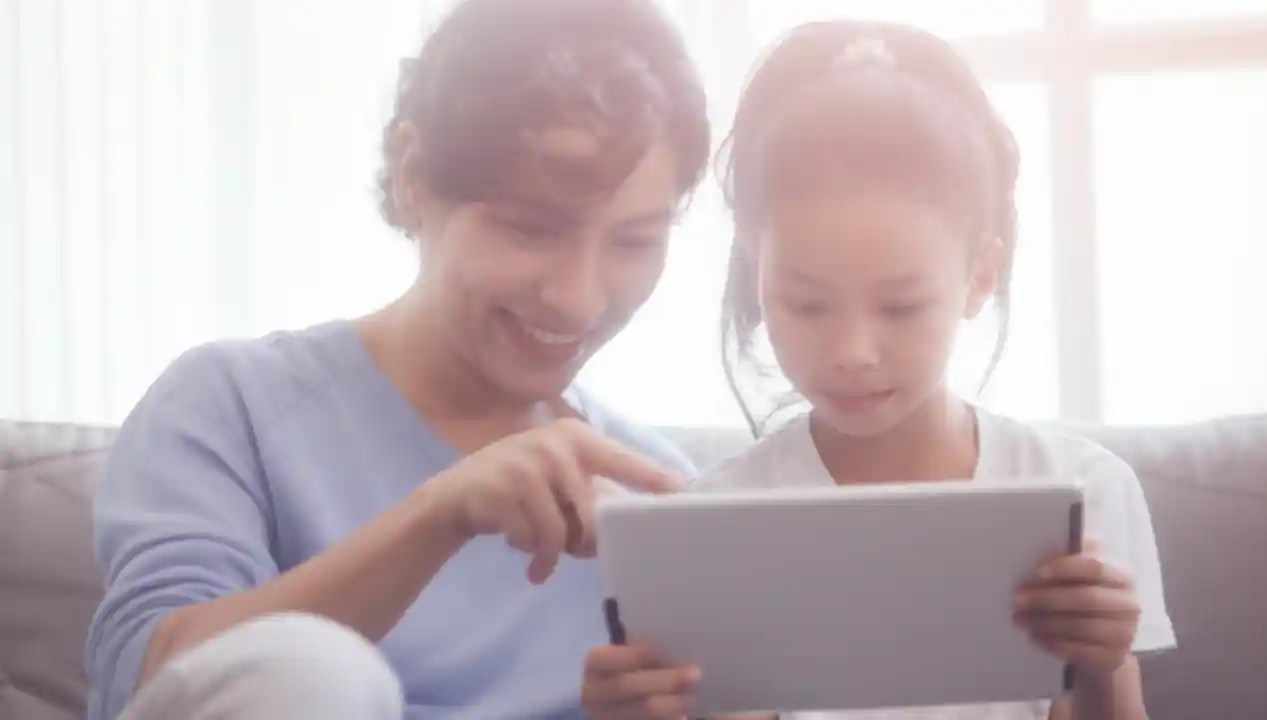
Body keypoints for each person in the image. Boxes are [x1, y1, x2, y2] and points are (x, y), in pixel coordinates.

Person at [85, 0, 711, 717]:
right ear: (414, 174)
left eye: (633, 242)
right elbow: (156, 687)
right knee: (311, 671)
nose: (577, 299)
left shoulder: (654, 501)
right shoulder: (233, 405)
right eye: (533, 229)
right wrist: (438, 516)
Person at [581, 21, 1175, 720]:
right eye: (805, 304)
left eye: (899, 306)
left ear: (980, 275)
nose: (851, 351)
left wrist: (1102, 661)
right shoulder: (710, 527)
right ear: (754, 266)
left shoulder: (1081, 491)